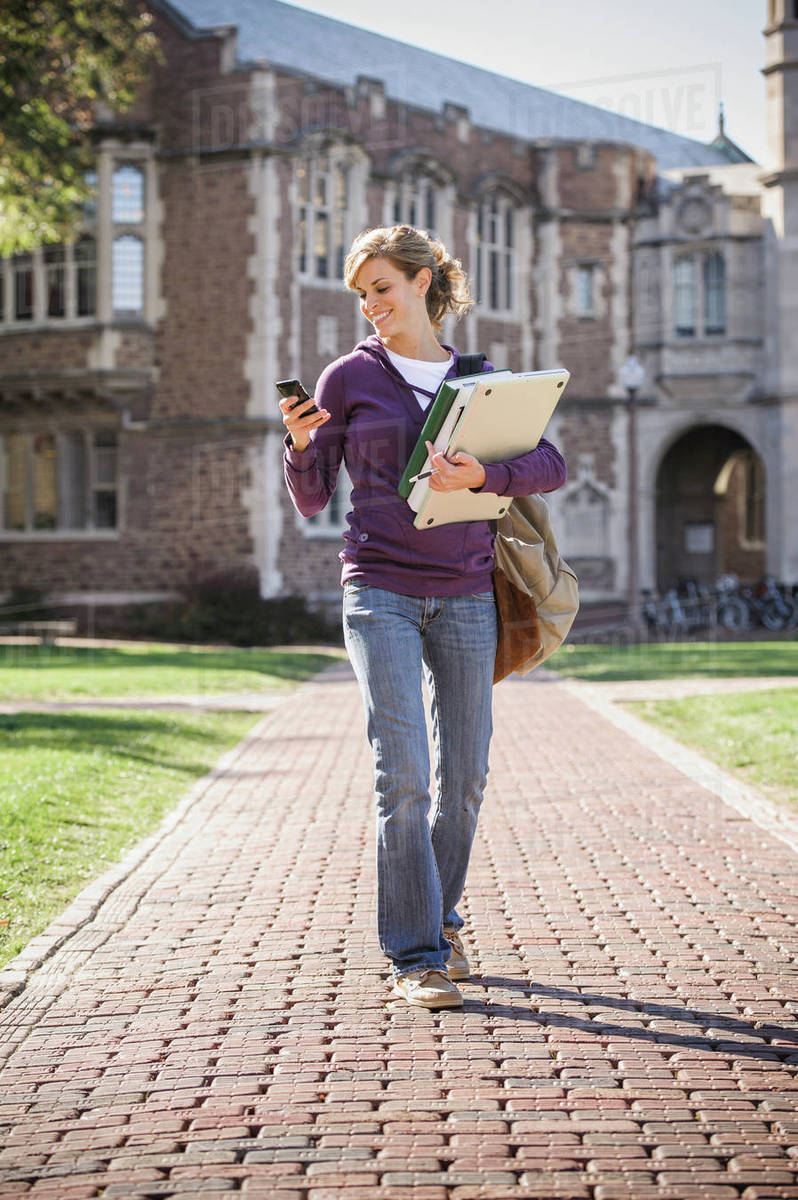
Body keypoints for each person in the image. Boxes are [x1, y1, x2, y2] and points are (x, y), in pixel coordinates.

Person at [281, 224, 566, 1009]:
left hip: (469, 591)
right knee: (401, 774)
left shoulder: (477, 378)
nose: (371, 305)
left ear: (424, 282)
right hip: (378, 590)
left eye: (383, 288)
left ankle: (436, 917)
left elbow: (552, 463)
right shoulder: (347, 379)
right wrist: (301, 446)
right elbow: (312, 495)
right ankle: (415, 957)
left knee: (465, 777)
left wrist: (489, 471)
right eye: (362, 293)